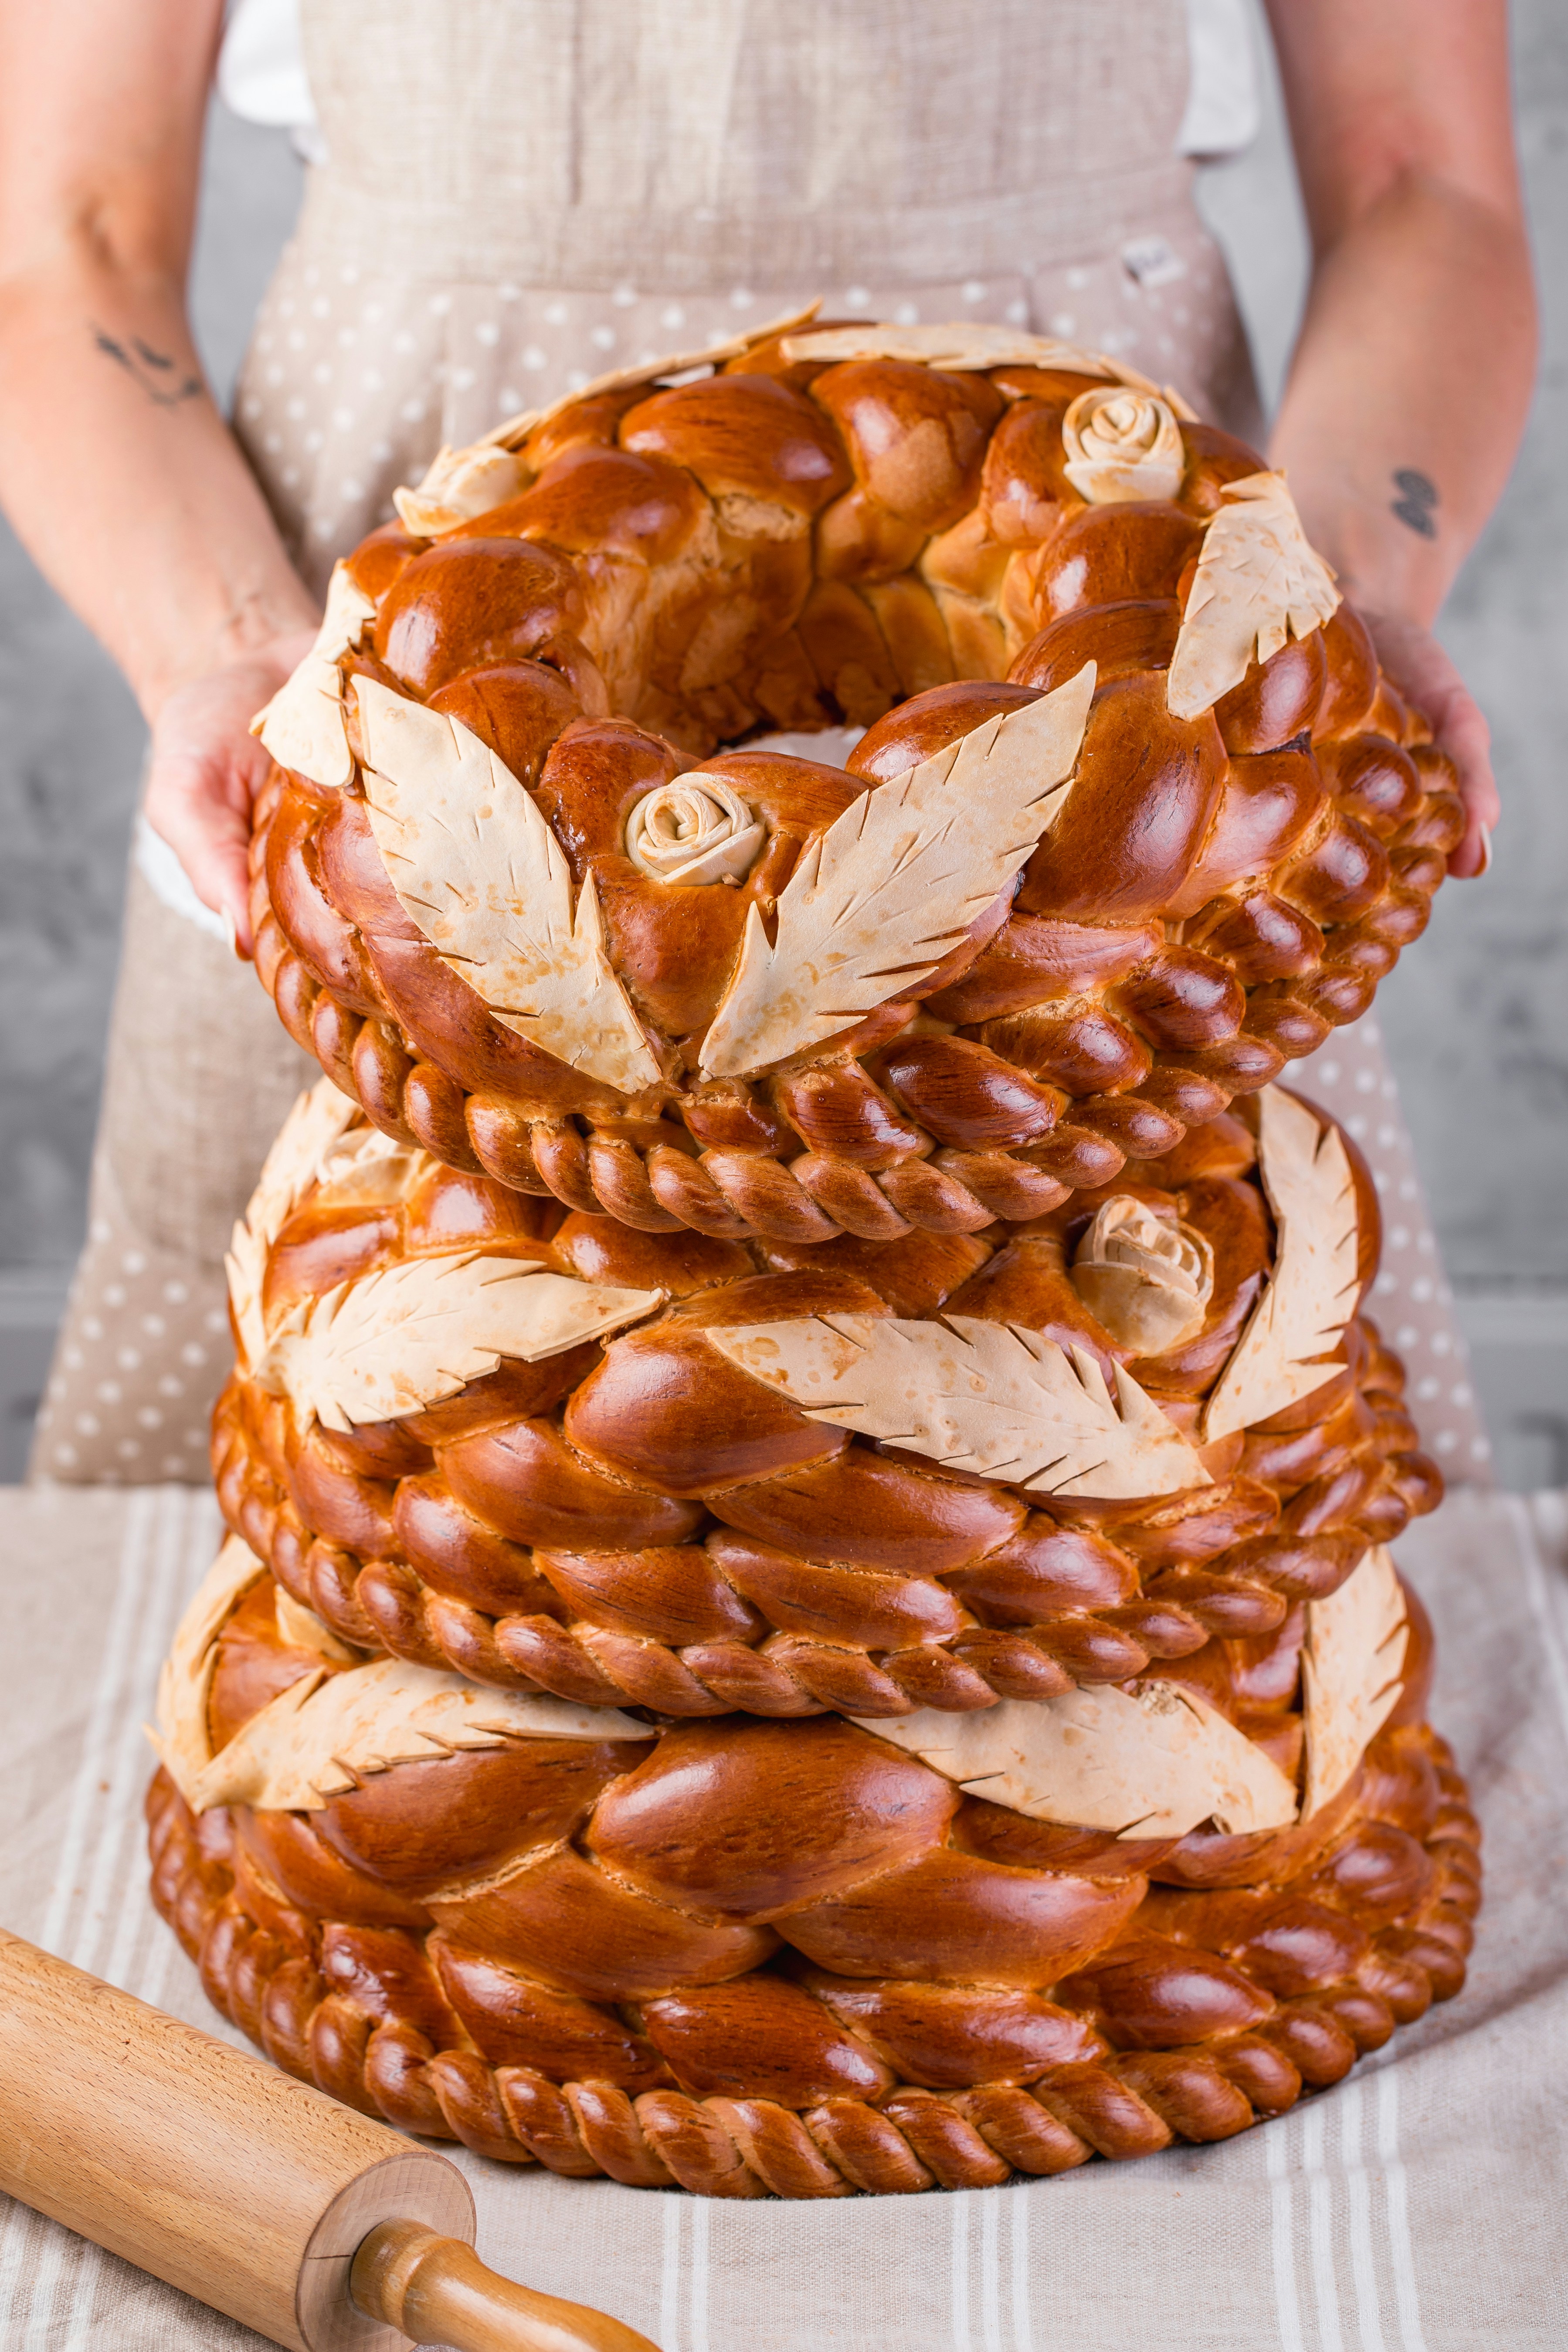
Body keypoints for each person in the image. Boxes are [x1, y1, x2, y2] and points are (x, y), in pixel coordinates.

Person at [0, 0, 1534, 1484]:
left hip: (1125, 648)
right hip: (397, 620)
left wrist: (1329, 598)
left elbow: (1424, 185)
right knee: (346, 1455)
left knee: (1194, 1497)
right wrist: (230, 656)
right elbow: (66, 236)